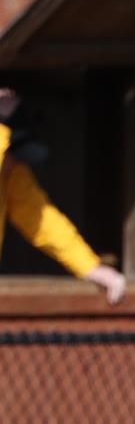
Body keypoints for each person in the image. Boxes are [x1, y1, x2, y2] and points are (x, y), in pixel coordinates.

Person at [0, 87, 125, 305]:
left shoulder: (11, 174)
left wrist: (90, 267)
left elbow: (40, 218)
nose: (16, 162)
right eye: (12, 153)